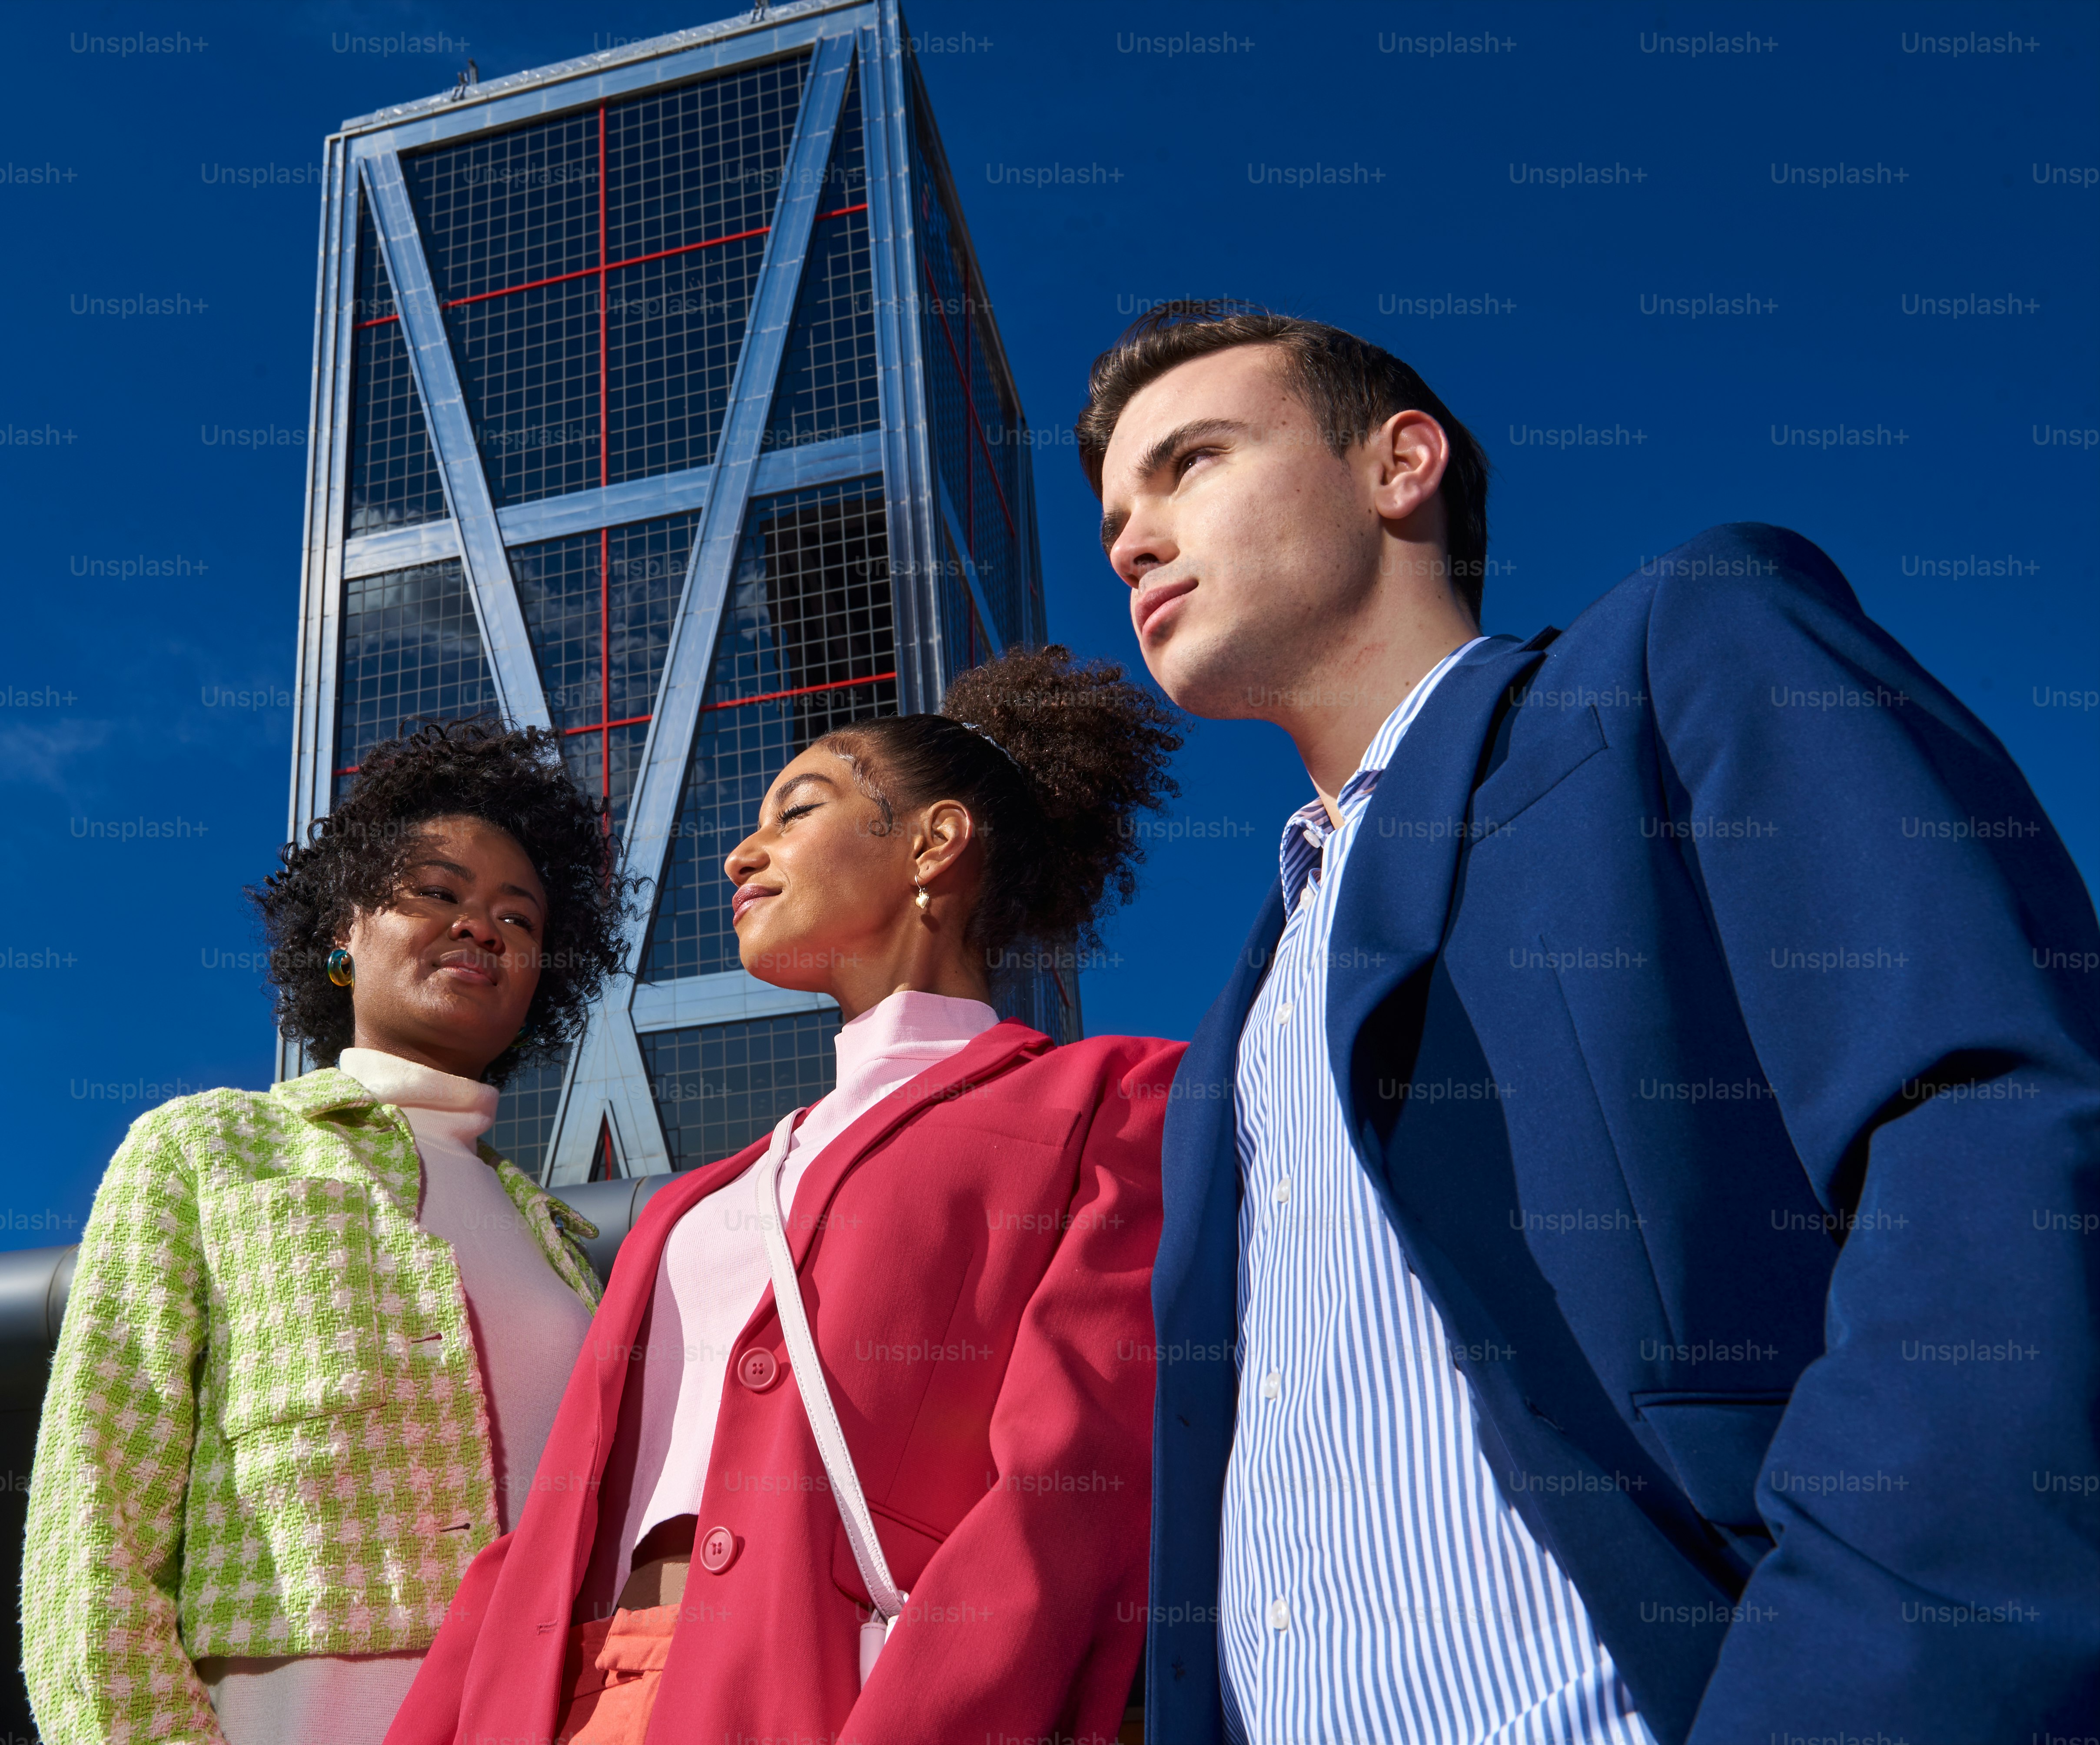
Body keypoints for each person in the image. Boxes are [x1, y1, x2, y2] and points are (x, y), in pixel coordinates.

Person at [1083, 302, 2100, 1744]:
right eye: (1113, 510)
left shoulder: (1678, 657)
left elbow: (1998, 1156)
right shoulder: (1230, 1024)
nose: (1127, 538)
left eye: (1187, 462)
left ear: (1399, 465)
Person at [388, 646, 1187, 1745]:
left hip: (845, 1699)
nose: (737, 853)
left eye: (795, 810)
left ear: (933, 843)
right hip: (568, 1698)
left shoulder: (1109, 1104)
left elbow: (1072, 1486)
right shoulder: (695, 1202)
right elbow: (546, 1534)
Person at [21, 721, 632, 1745]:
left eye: (515, 917)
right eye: (437, 893)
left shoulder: (566, 1247)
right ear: (343, 931)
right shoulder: (208, 1150)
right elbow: (92, 1508)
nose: (479, 926)